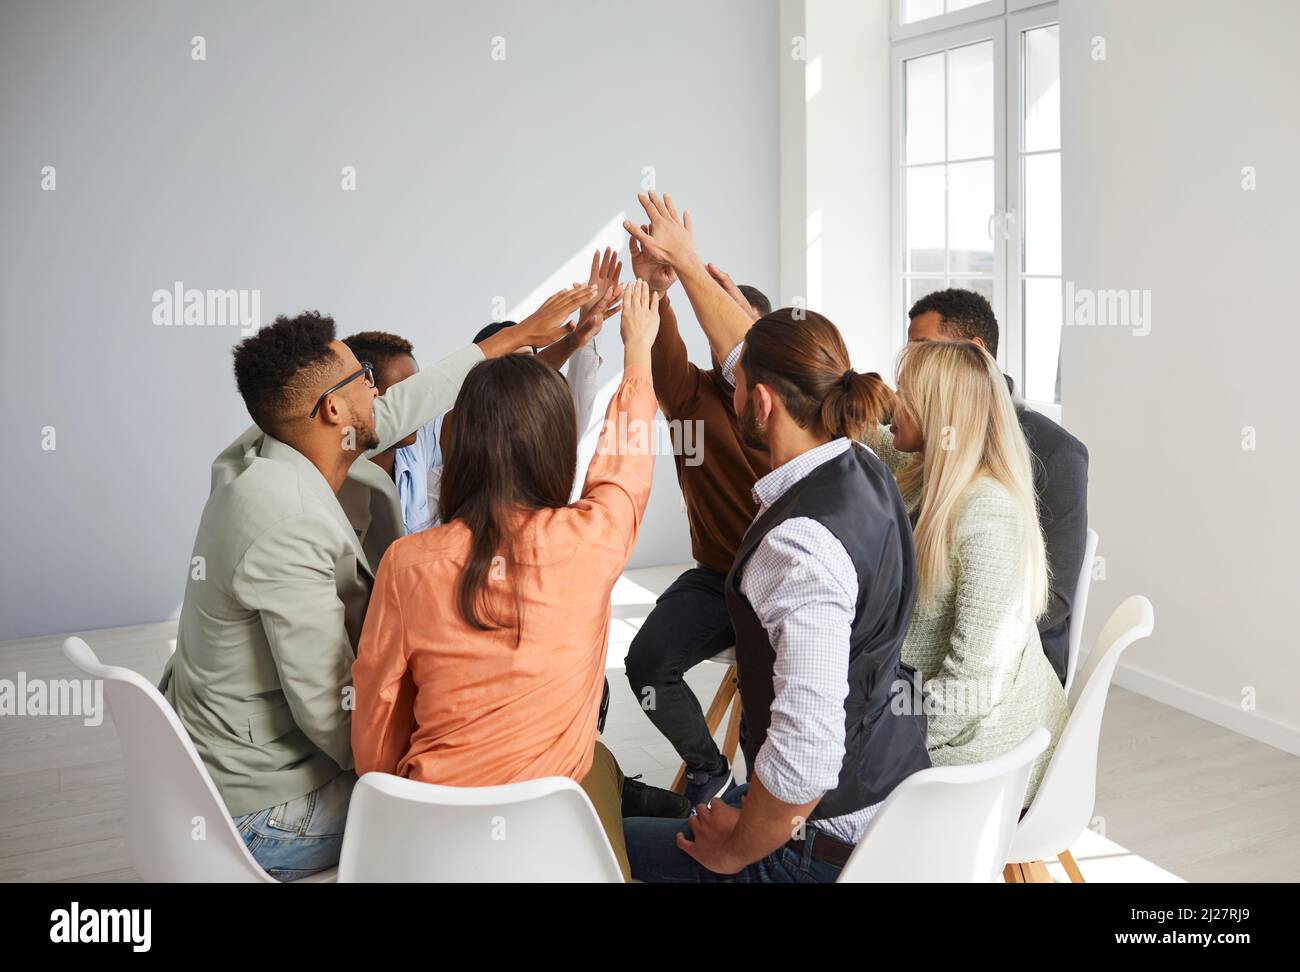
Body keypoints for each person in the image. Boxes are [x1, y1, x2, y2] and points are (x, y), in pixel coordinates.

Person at [159, 294, 587, 880]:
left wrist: (515, 344)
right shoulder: (284, 521)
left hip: (237, 756)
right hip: (266, 809)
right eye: (364, 379)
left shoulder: (268, 453)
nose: (379, 392)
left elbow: (402, 407)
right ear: (334, 409)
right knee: (476, 799)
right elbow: (330, 710)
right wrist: (439, 766)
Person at [351, 281, 687, 882]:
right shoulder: (594, 540)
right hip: (547, 846)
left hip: (429, 842)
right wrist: (639, 352)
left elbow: (377, 735)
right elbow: (624, 466)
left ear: (455, 439)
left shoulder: (406, 564)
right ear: (558, 445)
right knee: (604, 773)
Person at [622, 307, 929, 883]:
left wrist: (735, 848)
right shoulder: (865, 466)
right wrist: (684, 268)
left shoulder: (799, 545)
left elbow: (806, 758)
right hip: (894, 786)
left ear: (760, 402)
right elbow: (753, 363)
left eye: (737, 386)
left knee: (606, 848)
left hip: (820, 843)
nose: (730, 387)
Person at [619, 191, 774, 805]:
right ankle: (711, 774)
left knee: (776, 702)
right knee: (647, 662)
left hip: (781, 582)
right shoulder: (692, 395)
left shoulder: (788, 412)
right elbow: (662, 355)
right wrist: (657, 287)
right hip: (716, 578)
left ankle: (774, 804)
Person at [889, 339, 1069, 805]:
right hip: (928, 718)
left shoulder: (987, 513)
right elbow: (845, 427)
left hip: (980, 754)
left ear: (937, 412)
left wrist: (887, 744)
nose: (893, 404)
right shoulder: (924, 472)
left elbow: (974, 685)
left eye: (904, 394)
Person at [905, 289, 1089, 684]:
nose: (914, 365)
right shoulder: (924, 432)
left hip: (1014, 665)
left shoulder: (1058, 454)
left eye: (924, 350)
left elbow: (1053, 600)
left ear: (973, 352)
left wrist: (944, 628)